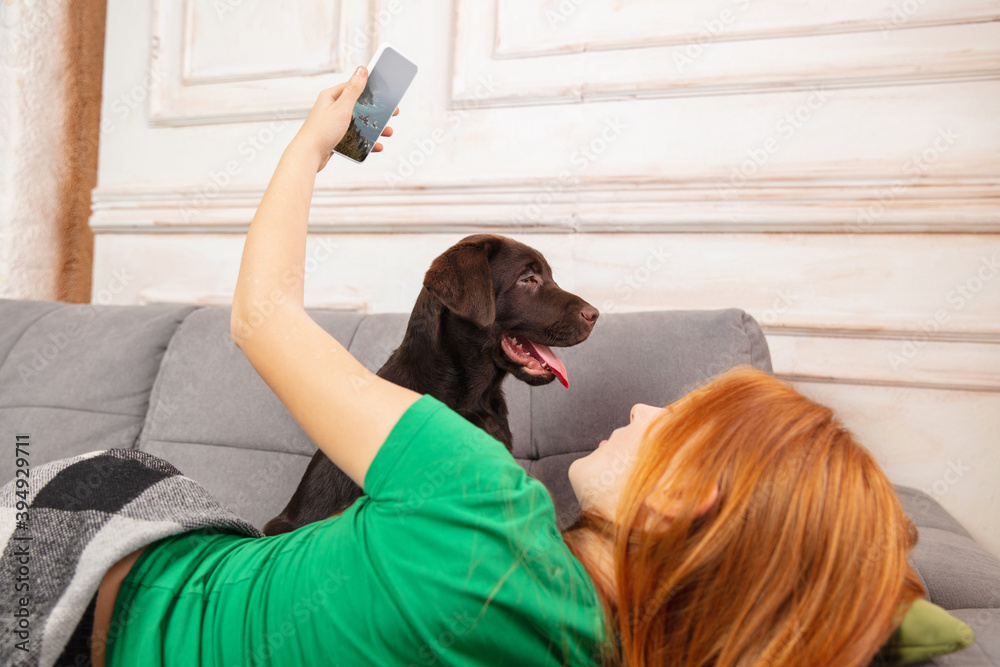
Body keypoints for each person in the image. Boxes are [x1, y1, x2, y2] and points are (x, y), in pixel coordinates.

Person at [85, 65, 924, 667]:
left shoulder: (477, 489)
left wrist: (311, 145)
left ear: (678, 500)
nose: (638, 412)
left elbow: (260, 316)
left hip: (95, 572)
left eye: (674, 419)